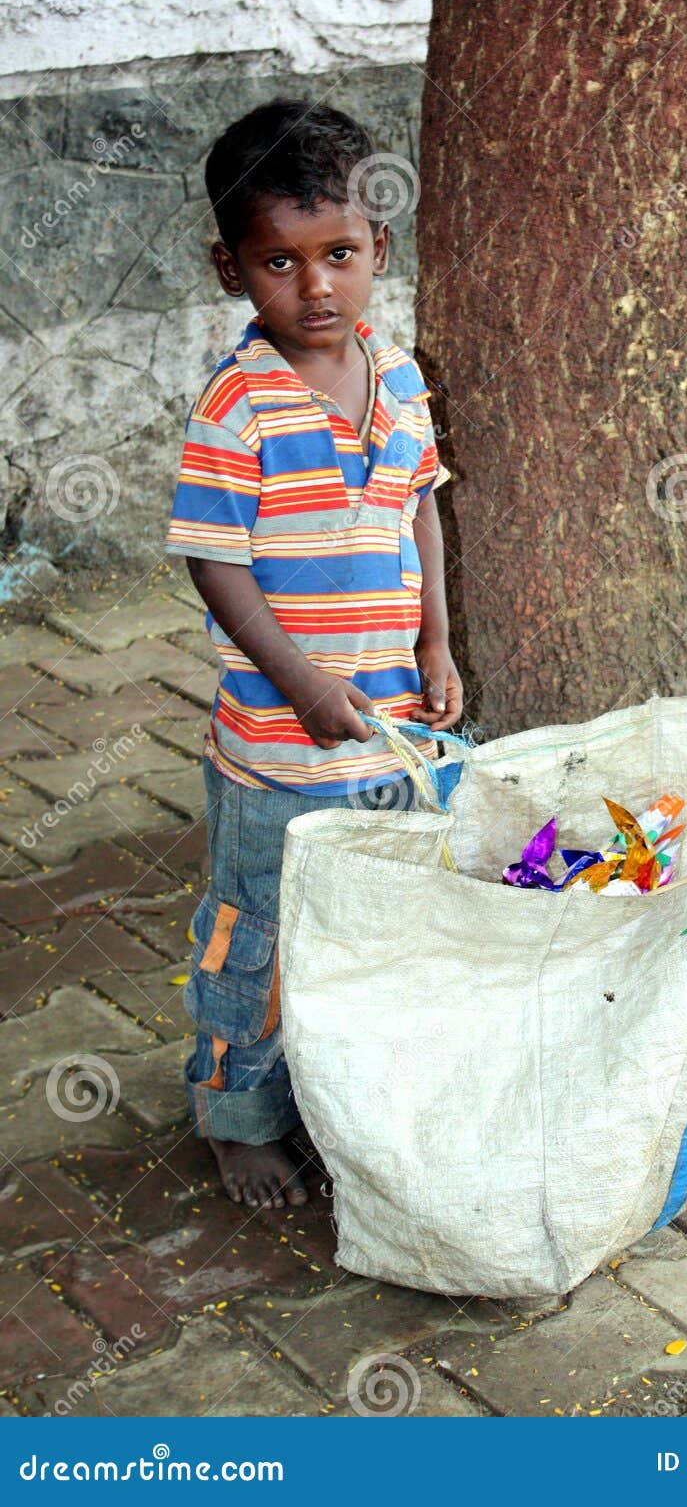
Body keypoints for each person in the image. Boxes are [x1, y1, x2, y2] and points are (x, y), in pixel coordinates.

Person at [164, 100, 463, 1209]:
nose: (316, 287)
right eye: (278, 263)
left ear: (378, 247)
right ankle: (237, 1113)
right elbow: (216, 566)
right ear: (231, 268)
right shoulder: (238, 407)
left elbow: (418, 511)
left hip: (390, 731)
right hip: (275, 750)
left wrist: (435, 641)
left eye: (338, 254)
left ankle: (345, 1098)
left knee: (376, 920)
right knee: (256, 934)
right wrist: (296, 680)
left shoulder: (398, 377)